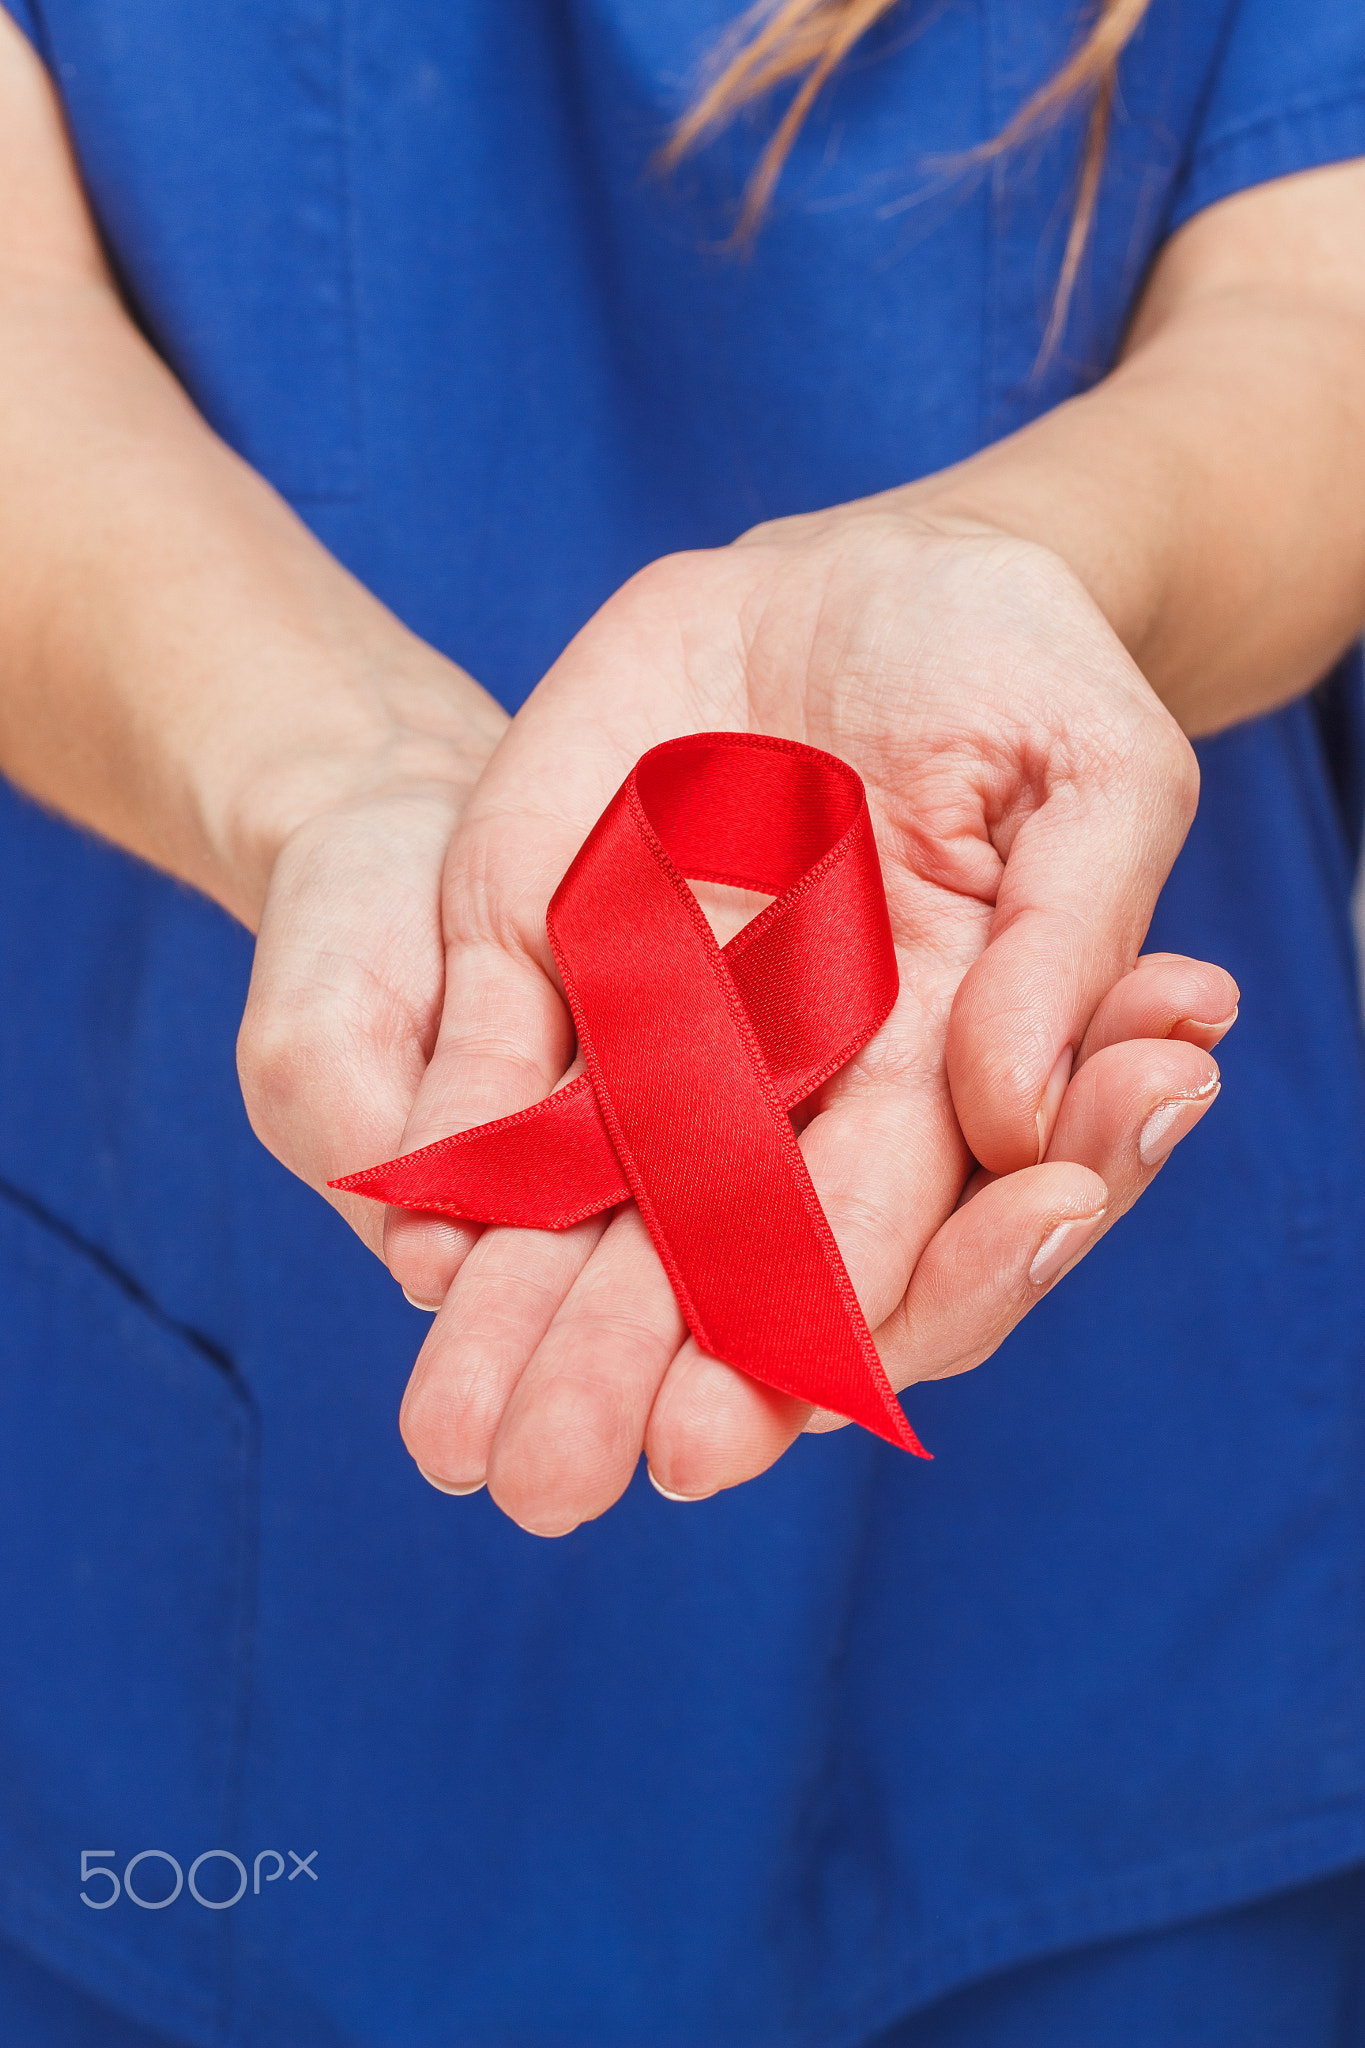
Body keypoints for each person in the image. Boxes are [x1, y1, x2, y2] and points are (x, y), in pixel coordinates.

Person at [0, 0, 1363, 2041]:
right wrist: (334, 773)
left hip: (1116, 1556)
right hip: (207, 1548)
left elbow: (1316, 316)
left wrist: (1014, 568)